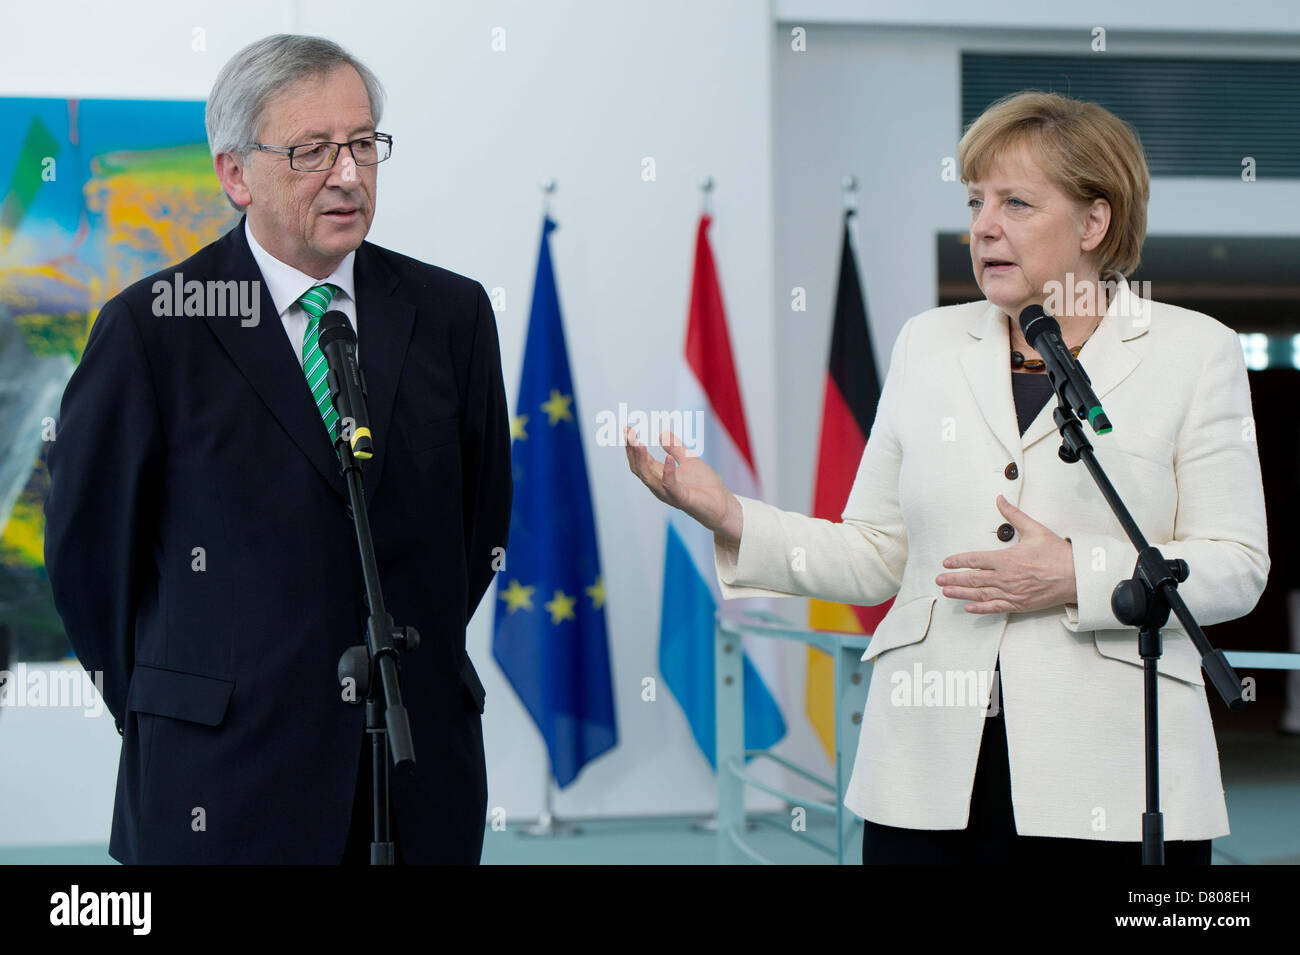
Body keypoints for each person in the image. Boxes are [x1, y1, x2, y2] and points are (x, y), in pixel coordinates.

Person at [625, 91, 1268, 864]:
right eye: (975, 201)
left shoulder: (1196, 352)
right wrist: (730, 514)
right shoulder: (926, 344)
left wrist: (1074, 572)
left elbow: (1236, 564)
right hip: (927, 771)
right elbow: (875, 554)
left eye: (1016, 202)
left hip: (1114, 776)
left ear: (1094, 222)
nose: (984, 226)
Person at [43, 34, 511, 864]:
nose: (348, 174)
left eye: (364, 144)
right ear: (234, 174)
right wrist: (180, 698)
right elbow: (89, 560)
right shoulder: (152, 328)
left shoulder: (453, 314)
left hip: (415, 770)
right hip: (220, 780)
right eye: (312, 151)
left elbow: (476, 532)